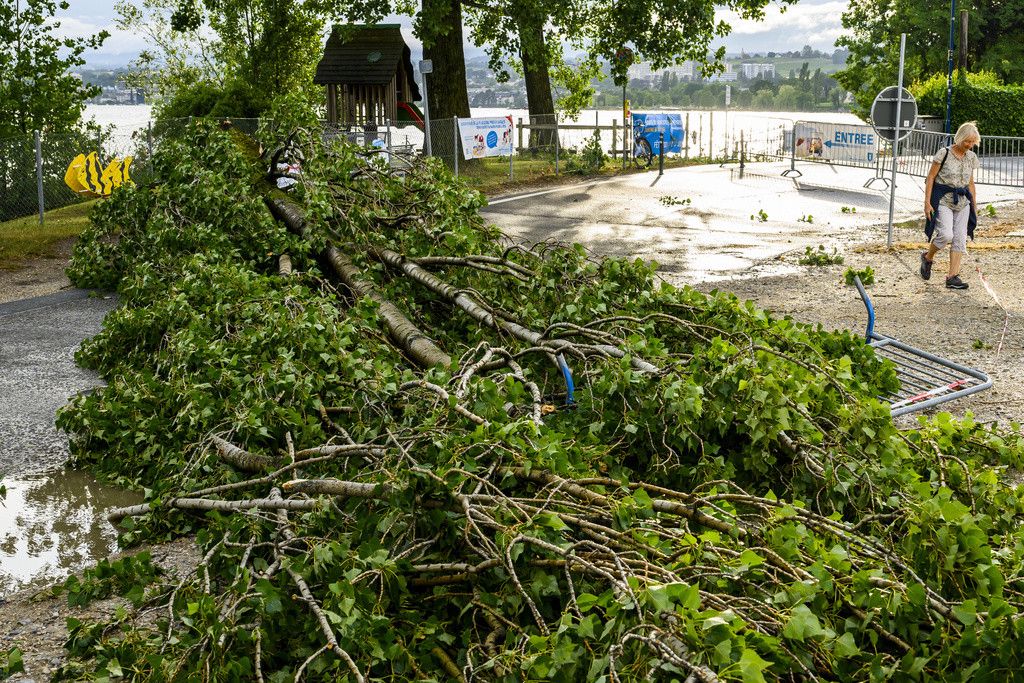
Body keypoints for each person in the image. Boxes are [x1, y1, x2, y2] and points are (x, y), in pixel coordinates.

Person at [920, 121, 981, 289]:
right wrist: (927, 203)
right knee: (946, 235)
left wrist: (974, 205)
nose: (969, 145)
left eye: (972, 142)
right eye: (966, 141)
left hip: (963, 202)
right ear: (959, 137)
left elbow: (970, 183)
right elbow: (930, 177)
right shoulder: (943, 153)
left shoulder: (971, 157)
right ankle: (928, 257)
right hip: (943, 200)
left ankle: (952, 277)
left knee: (960, 238)